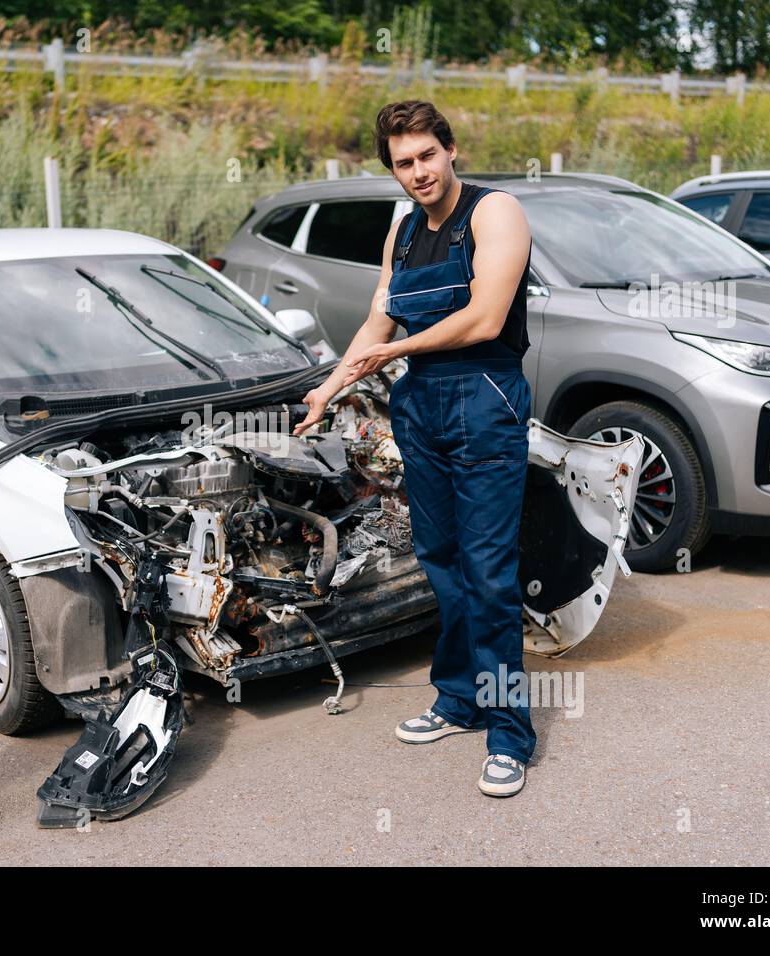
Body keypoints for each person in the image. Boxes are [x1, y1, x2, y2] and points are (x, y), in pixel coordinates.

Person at [293, 100, 535, 797]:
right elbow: (376, 321)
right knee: (441, 560)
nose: (419, 171)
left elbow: (485, 316)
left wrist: (397, 348)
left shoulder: (495, 213)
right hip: (422, 405)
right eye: (404, 163)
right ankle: (459, 698)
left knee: (489, 571)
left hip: (485, 397)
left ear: (451, 149)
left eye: (428, 155)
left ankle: (509, 732)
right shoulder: (401, 232)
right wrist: (329, 389)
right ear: (393, 170)